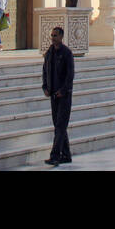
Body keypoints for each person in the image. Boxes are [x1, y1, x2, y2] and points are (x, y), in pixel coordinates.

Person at [42, 25, 75, 165]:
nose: (53, 38)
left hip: (64, 96)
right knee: (59, 125)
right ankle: (66, 155)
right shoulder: (49, 53)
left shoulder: (67, 53)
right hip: (53, 95)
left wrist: (64, 90)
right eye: (52, 35)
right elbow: (45, 71)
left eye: (55, 35)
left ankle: (55, 155)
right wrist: (45, 87)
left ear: (61, 37)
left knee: (60, 126)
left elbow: (70, 75)